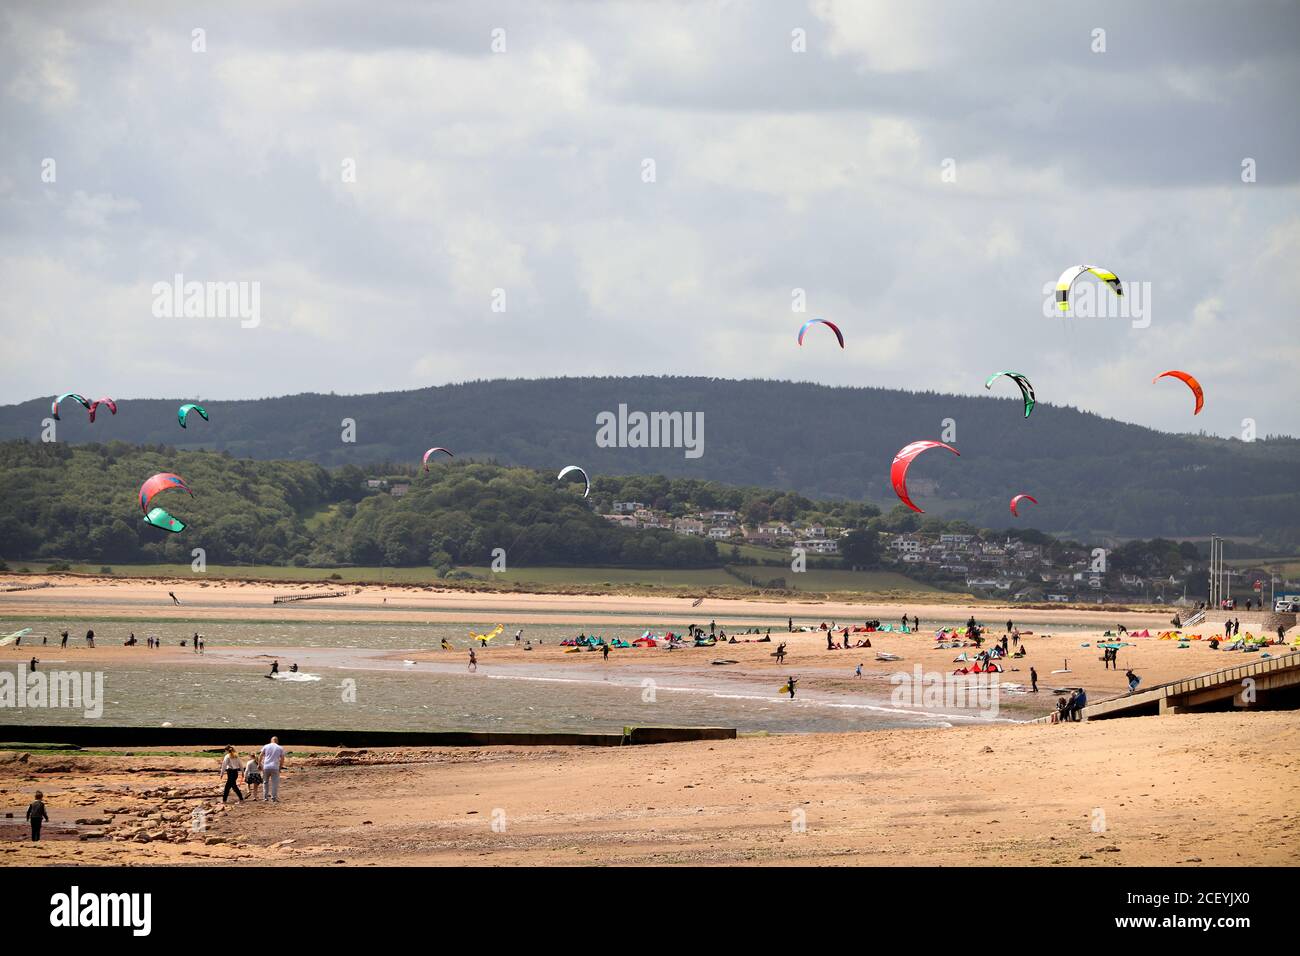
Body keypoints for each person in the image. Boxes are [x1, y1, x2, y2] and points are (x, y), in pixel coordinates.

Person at [260, 737, 285, 803]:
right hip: (275, 767)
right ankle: (274, 797)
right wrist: (280, 767)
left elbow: (261, 755)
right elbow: (282, 759)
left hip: (266, 766)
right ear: (277, 741)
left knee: (265, 782)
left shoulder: (266, 746)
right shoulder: (280, 748)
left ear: (271, 740)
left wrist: (259, 764)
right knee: (274, 783)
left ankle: (265, 797)